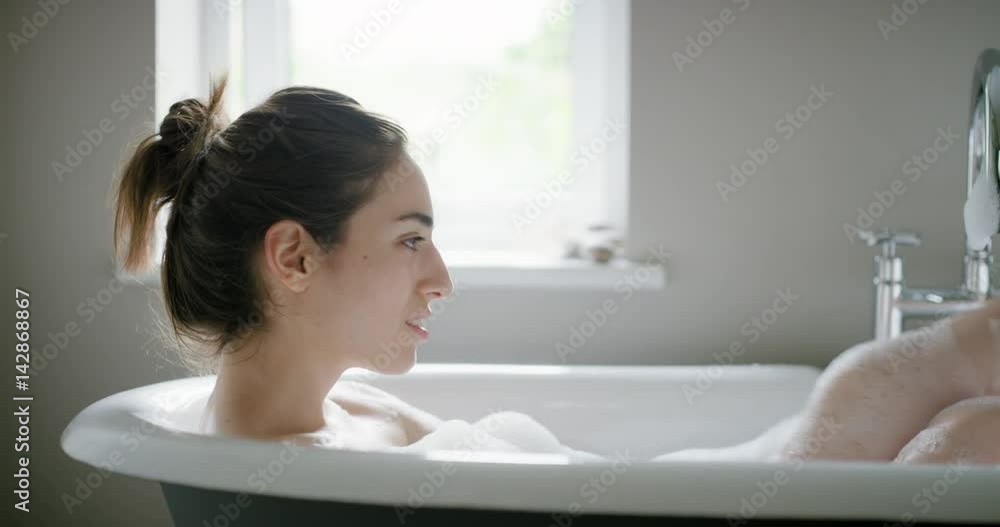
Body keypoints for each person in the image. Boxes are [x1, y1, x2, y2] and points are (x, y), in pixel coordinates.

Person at [111, 76, 1000, 464]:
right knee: (964, 442)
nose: (442, 278)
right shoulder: (281, 465)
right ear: (295, 257)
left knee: (912, 400)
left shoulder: (342, 412)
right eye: (413, 239)